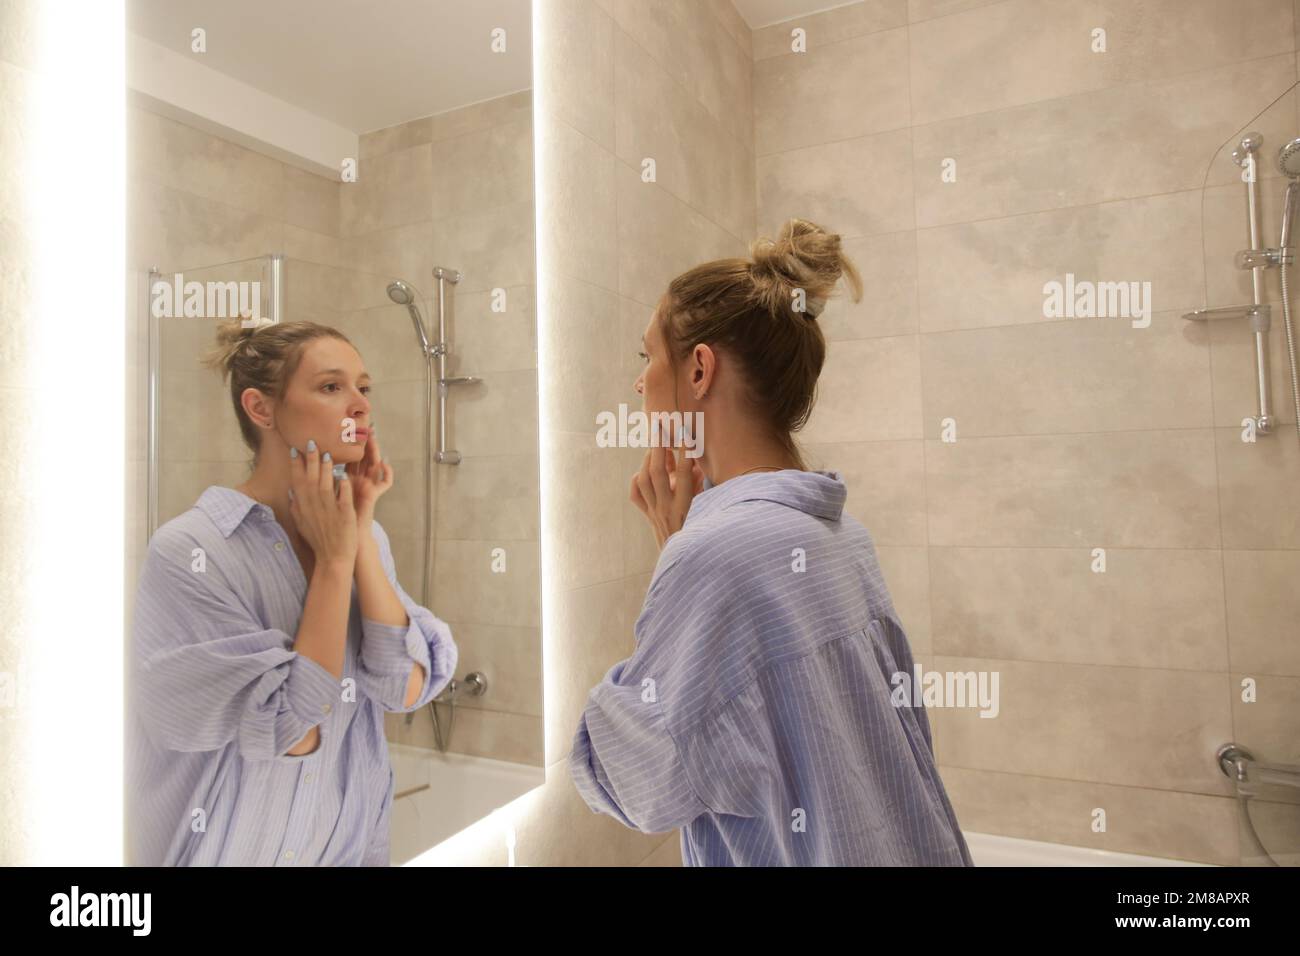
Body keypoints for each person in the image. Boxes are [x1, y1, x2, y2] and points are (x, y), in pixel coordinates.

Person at [568, 218, 974, 866]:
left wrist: (682, 552)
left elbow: (632, 780)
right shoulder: (844, 538)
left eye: (647, 357)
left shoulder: (717, 556)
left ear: (699, 369)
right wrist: (686, 544)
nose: (638, 384)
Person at [126, 318, 458, 865]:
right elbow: (290, 727)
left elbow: (405, 689)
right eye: (332, 387)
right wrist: (332, 564)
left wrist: (359, 532)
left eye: (363, 388)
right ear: (262, 410)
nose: (360, 406)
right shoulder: (191, 549)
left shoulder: (365, 535)